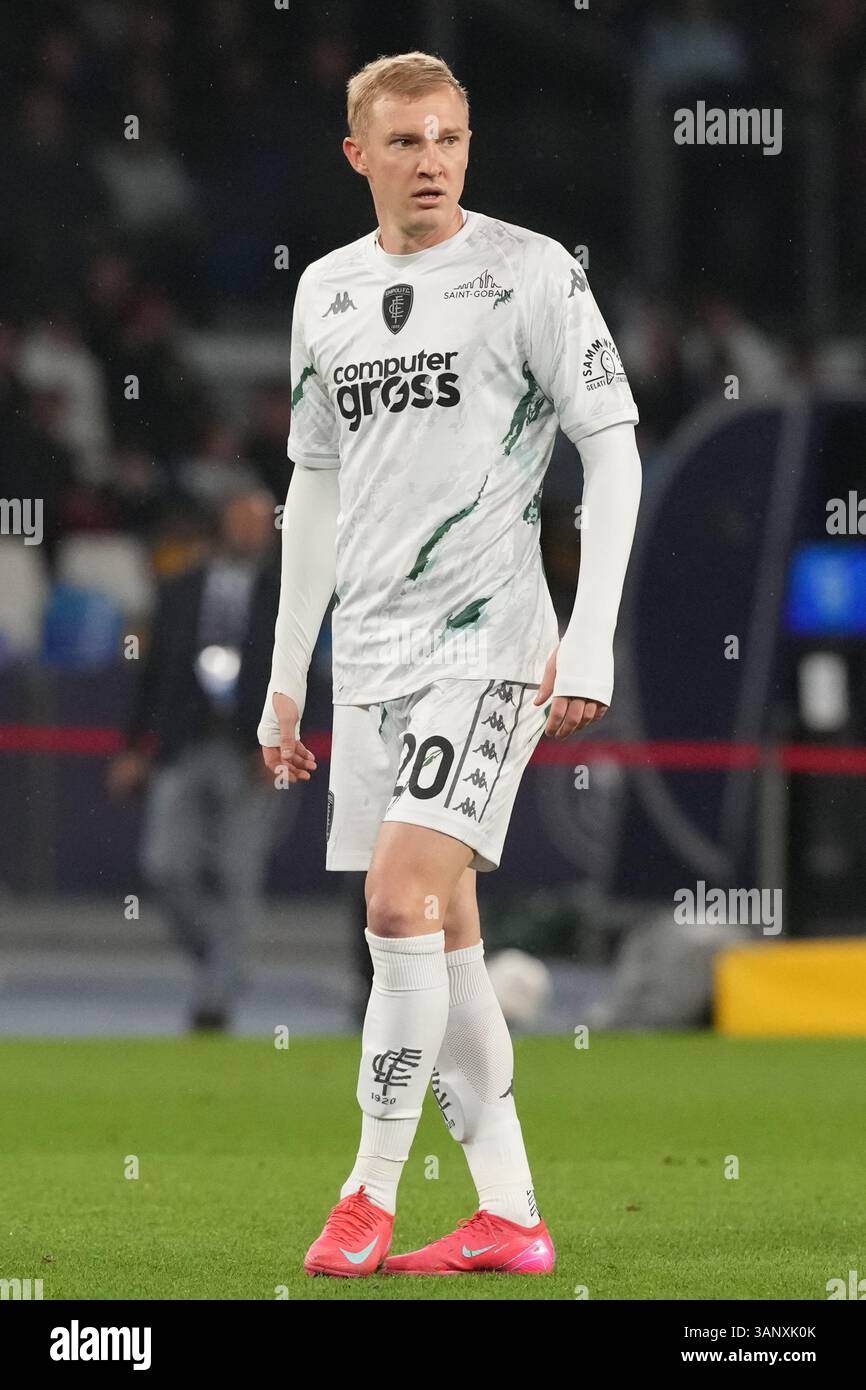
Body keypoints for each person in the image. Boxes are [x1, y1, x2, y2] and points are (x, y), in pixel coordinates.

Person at [258, 51, 642, 1277]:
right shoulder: (323, 292)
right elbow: (312, 484)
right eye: (407, 141)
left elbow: (613, 451)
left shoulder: (529, 272)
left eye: (450, 138)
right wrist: (285, 670)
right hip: (368, 654)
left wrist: (586, 637)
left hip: (487, 642)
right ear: (357, 154)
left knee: (392, 900)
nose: (432, 161)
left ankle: (364, 1196)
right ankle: (510, 1213)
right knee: (448, 930)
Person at [110, 488, 280, 1031]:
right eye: (244, 521)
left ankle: (215, 1002)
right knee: (164, 865)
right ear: (221, 525)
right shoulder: (179, 588)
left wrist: (284, 742)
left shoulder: (284, 596)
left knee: (237, 874)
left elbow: (309, 677)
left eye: (262, 524)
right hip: (183, 744)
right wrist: (134, 747)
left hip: (249, 747)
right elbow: (153, 674)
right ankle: (222, 961)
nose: (253, 532)